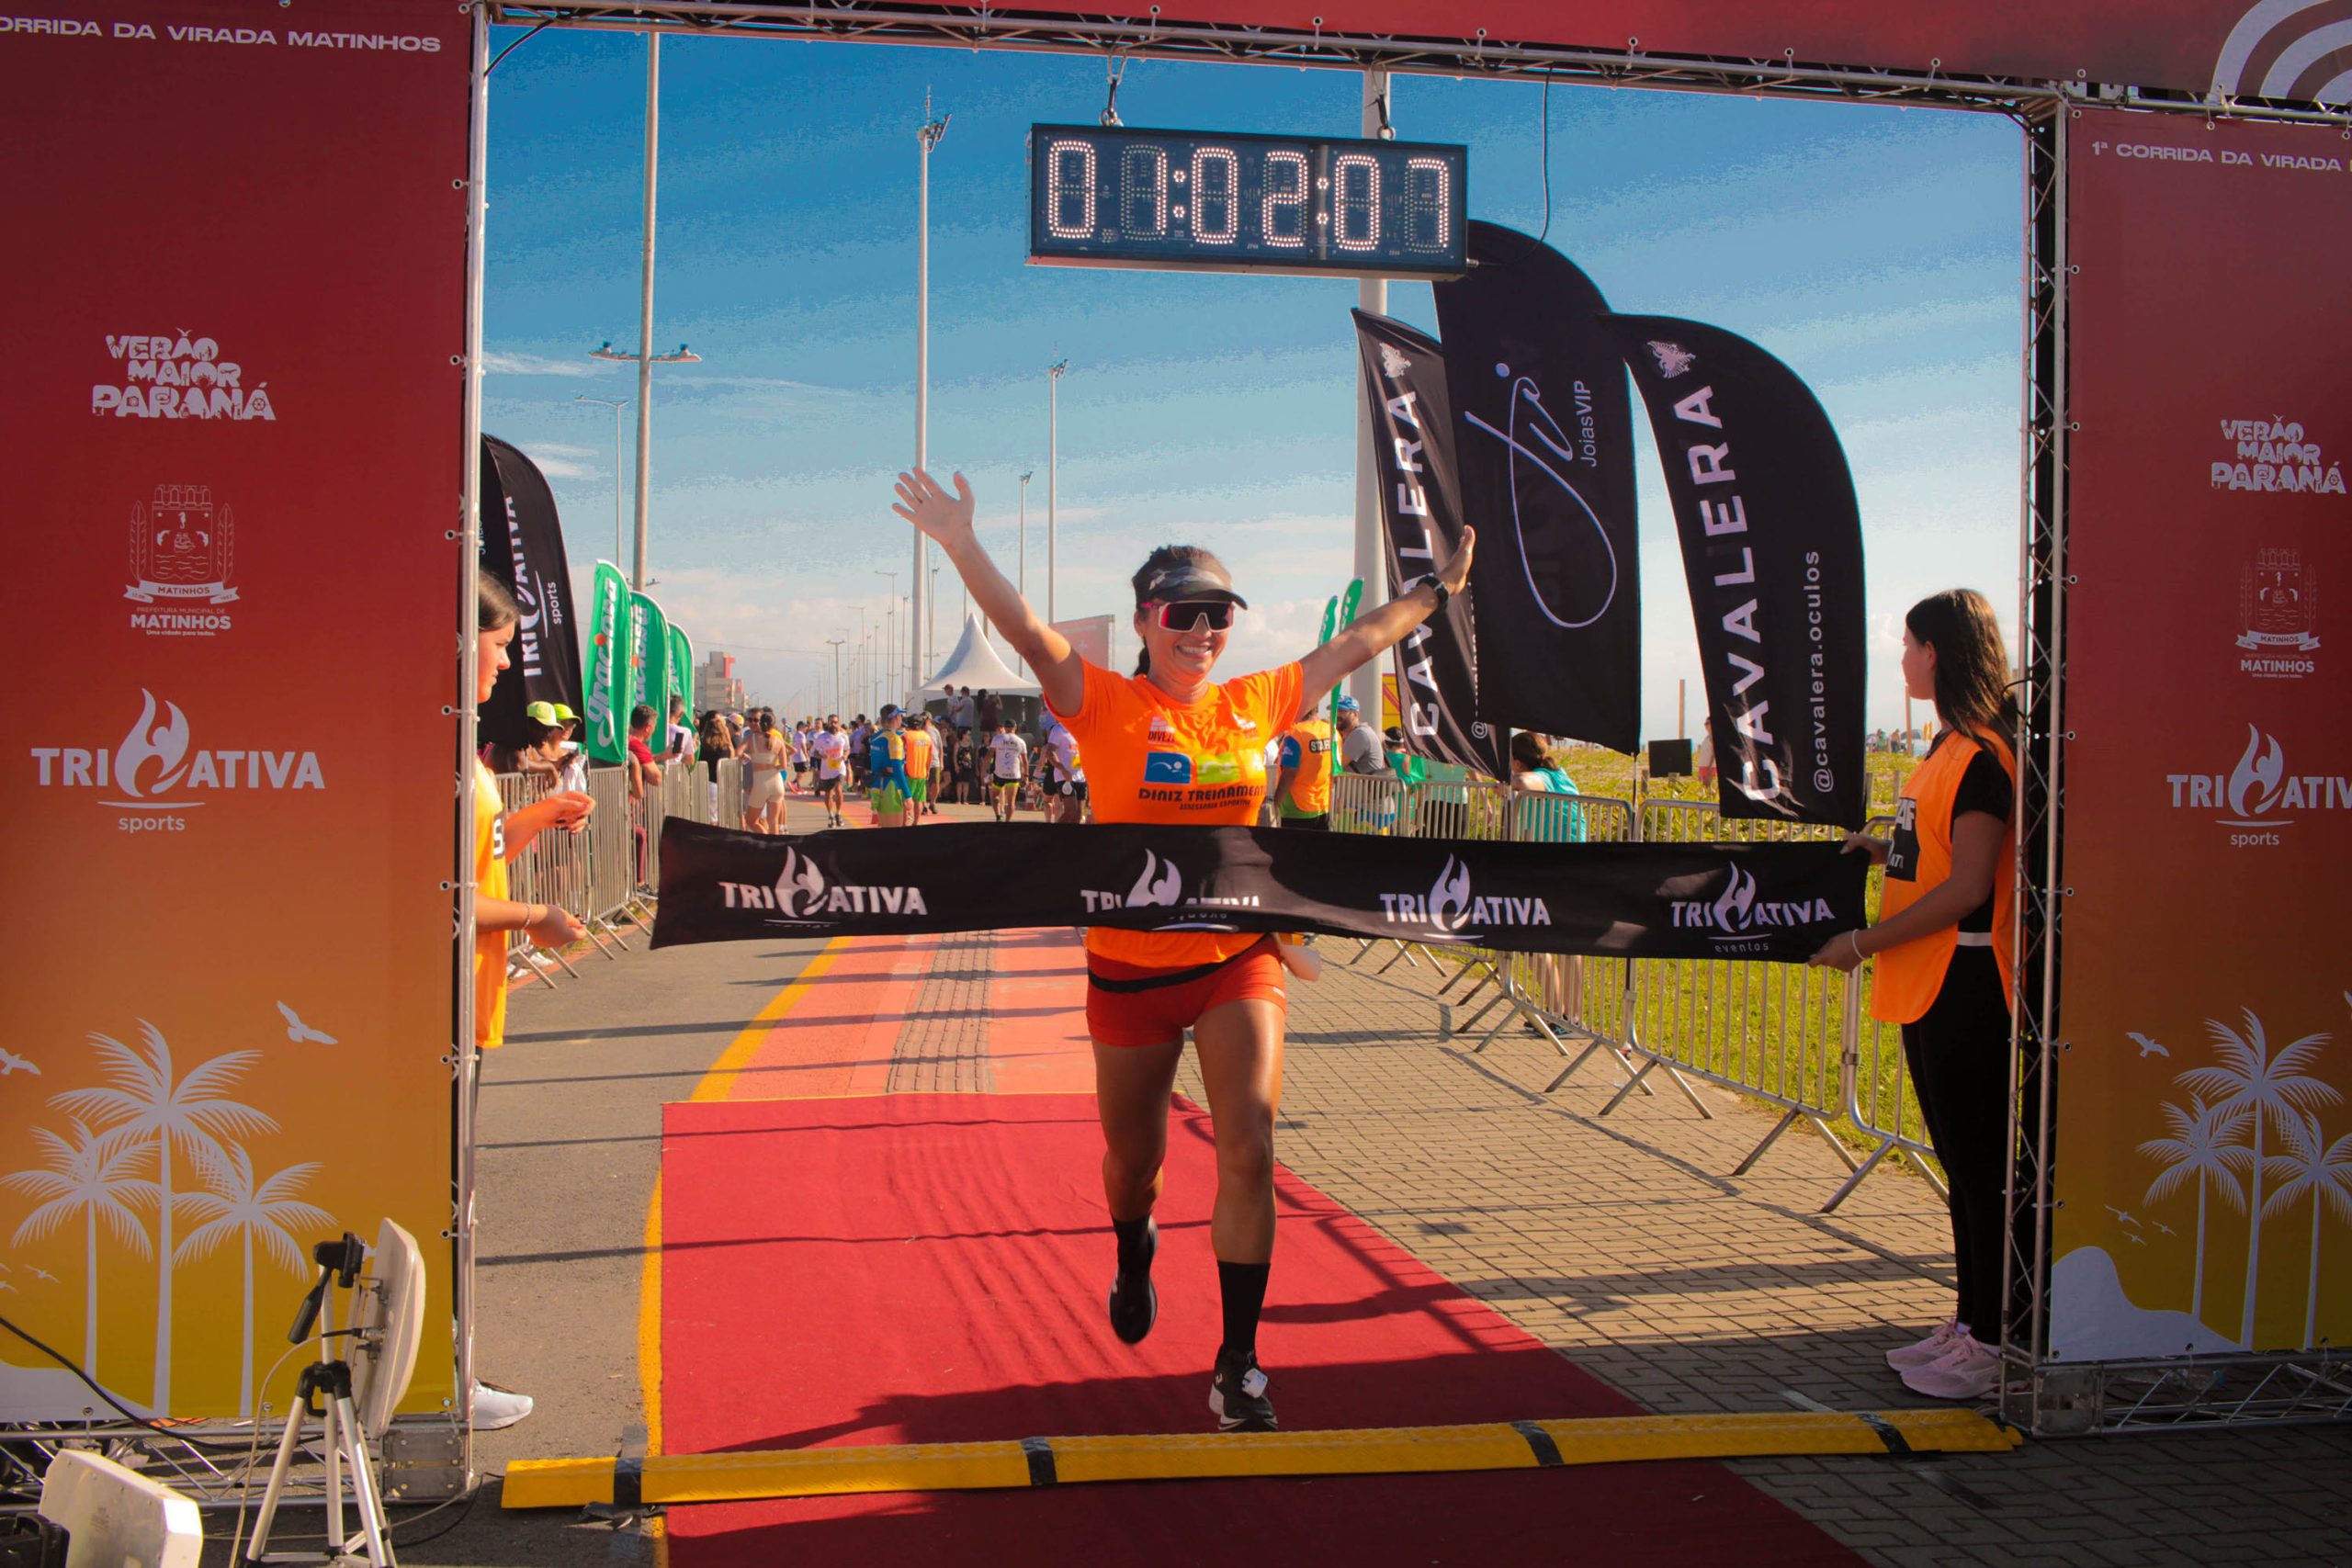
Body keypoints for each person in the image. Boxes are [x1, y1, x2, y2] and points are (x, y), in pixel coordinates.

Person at [895, 465, 1474, 1433]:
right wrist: (961, 543)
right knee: (1135, 1165)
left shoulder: (1258, 699)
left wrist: (1433, 593)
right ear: (1145, 620)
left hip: (1235, 961)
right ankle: (1134, 1247)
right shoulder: (1101, 702)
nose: (1203, 632)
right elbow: (1026, 632)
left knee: (1250, 1141)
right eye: (1184, 614)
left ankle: (1238, 1364)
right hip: (1127, 972)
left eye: (1218, 616)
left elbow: (1357, 643)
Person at [1809, 588, 2019, 1403]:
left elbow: (1969, 885)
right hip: (1927, 980)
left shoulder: (1985, 757)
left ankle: (1995, 1339)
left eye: (1909, 643)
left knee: (1980, 1167)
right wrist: (1879, 848)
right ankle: (1969, 1321)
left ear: (1938, 652)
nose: (1901, 658)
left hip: (1968, 980)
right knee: (1960, 1164)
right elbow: (1931, 853)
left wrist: (1862, 942)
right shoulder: (1944, 748)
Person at [469, 572, 593, 1429]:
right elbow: (441, 894)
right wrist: (533, 917)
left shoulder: (461, 748)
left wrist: (542, 814)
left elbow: (476, 853)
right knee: (446, 1207)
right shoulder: (434, 745)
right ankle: (445, 1382)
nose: (508, 663)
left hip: (468, 1006)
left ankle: (447, 1374)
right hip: (438, 1009)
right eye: (498, 643)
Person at [1271, 710, 1336, 829]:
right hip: (1322, 804)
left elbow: (1289, 773)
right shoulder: (1331, 732)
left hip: (1296, 807)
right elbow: (1335, 767)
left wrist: (1275, 803)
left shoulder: (1295, 734)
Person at [626, 705, 662, 888]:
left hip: (616, 801)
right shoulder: (637, 746)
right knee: (639, 835)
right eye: (654, 727)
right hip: (627, 804)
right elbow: (656, 778)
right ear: (648, 727)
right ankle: (639, 883)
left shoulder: (622, 741)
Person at [741, 708, 786, 833]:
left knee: (751, 821)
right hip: (777, 781)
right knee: (773, 822)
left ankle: (765, 837)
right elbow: (784, 765)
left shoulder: (752, 738)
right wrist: (773, 767)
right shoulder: (779, 740)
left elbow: (738, 752)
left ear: (760, 723)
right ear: (773, 725)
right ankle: (774, 845)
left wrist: (748, 757)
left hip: (761, 782)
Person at [867, 705, 912, 827]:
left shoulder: (875, 737)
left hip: (878, 785)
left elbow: (874, 764)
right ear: (896, 717)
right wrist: (908, 795)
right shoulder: (894, 739)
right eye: (900, 716)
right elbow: (897, 770)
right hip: (891, 788)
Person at [1042, 713, 1088, 824]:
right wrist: (1063, 770)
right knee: (1070, 812)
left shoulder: (1080, 729)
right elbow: (1050, 752)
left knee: (1079, 815)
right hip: (1064, 777)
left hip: (1080, 776)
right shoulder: (1059, 729)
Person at [987, 715, 1028, 821]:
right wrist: (1026, 776)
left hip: (1000, 773)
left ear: (1005, 728)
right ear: (1015, 728)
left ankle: (998, 816)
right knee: (1011, 801)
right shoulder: (1021, 741)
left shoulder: (997, 738)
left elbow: (989, 755)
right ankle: (1008, 822)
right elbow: (1025, 761)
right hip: (1014, 774)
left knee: (994, 795)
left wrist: (984, 770)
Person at [811, 716, 849, 828]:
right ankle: (830, 815)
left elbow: (847, 749)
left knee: (838, 789)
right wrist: (822, 755)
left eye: (835, 722)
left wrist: (845, 756)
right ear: (828, 723)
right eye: (831, 722)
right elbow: (815, 752)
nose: (833, 724)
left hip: (839, 768)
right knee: (828, 794)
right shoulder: (822, 737)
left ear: (838, 723)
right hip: (826, 770)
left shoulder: (843, 736)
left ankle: (838, 813)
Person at [1334, 694, 1384, 776]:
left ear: (1355, 714)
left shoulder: (1360, 734)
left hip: (1364, 784)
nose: (1337, 715)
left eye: (1342, 711)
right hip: (1359, 783)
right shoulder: (1350, 734)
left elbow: (1336, 765)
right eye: (1335, 711)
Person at [902, 712, 936, 821]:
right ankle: (916, 822)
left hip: (908, 772)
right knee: (919, 799)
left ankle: (904, 823)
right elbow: (930, 756)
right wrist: (928, 771)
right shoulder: (927, 737)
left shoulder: (906, 736)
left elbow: (901, 754)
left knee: (905, 799)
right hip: (922, 772)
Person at [1695, 717, 1717, 790]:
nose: (1706, 726)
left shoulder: (1712, 737)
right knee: (1705, 787)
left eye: (1708, 723)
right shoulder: (1707, 737)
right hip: (1704, 765)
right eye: (1705, 724)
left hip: (1709, 766)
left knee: (1707, 787)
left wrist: (1709, 767)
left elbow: (1714, 754)